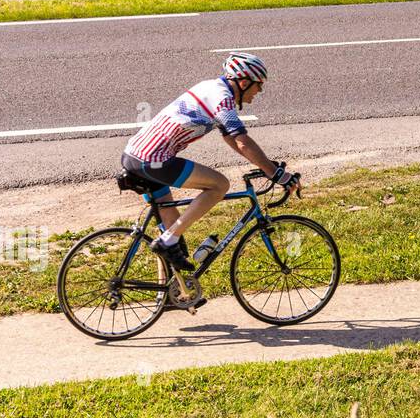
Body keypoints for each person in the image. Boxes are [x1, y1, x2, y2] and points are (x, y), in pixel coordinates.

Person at [121, 52, 298, 272]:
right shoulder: (222, 98)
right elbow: (242, 141)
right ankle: (167, 243)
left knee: (172, 228)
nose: (259, 92)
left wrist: (265, 165)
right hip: (154, 159)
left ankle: (168, 296)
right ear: (243, 82)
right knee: (219, 185)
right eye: (258, 86)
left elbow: (231, 138)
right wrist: (277, 174)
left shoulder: (211, 88)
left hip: (136, 155)